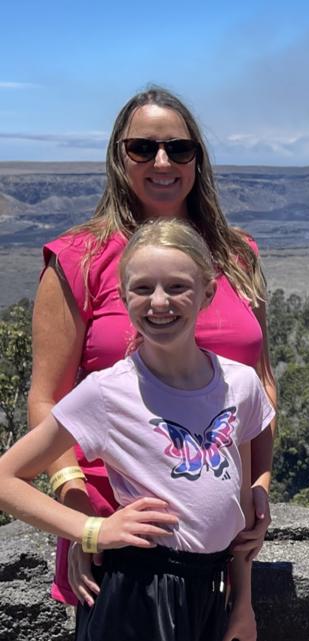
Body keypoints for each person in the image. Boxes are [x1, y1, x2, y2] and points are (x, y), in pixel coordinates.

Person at [27, 86, 277, 608]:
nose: (162, 162)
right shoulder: (78, 258)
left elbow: (260, 381)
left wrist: (258, 491)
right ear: (120, 156)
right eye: (142, 148)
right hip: (118, 524)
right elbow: (46, 398)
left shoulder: (235, 254)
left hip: (220, 523)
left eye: (179, 149)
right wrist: (83, 520)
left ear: (197, 158)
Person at [0, 219, 273, 641]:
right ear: (124, 296)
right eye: (142, 289)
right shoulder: (108, 393)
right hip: (139, 591)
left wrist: (242, 604)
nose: (159, 303)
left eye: (177, 287)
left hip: (212, 588)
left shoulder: (239, 384)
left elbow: (237, 506)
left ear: (207, 294)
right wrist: (91, 530)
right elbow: (5, 478)